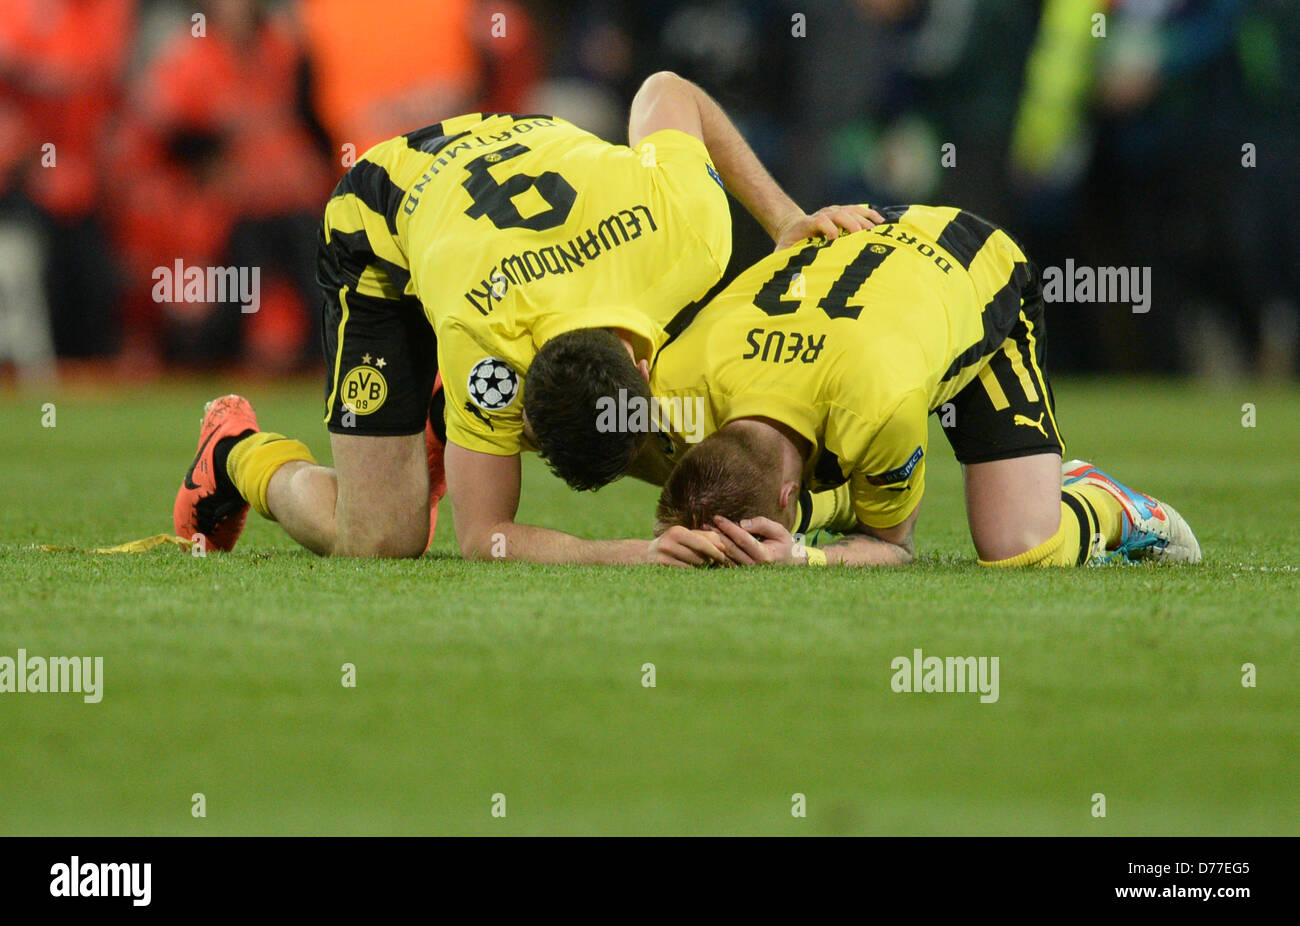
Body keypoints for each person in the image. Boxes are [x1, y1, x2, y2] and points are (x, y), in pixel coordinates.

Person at [173, 71, 878, 562]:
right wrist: (636, 553)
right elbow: (487, 540)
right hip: (383, 217)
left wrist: (788, 218)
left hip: (507, 170)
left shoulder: (689, 231)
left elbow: (669, 90)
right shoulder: (485, 335)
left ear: (638, 367)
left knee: (654, 432)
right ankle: (234, 451)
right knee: (383, 540)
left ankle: (446, 424)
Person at [526, 205, 1202, 568]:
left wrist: (802, 560)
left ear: (790, 501)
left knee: (1020, 548)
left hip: (970, 266)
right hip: (861, 252)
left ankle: (1114, 504)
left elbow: (891, 546)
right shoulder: (676, 379)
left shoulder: (877, 409)